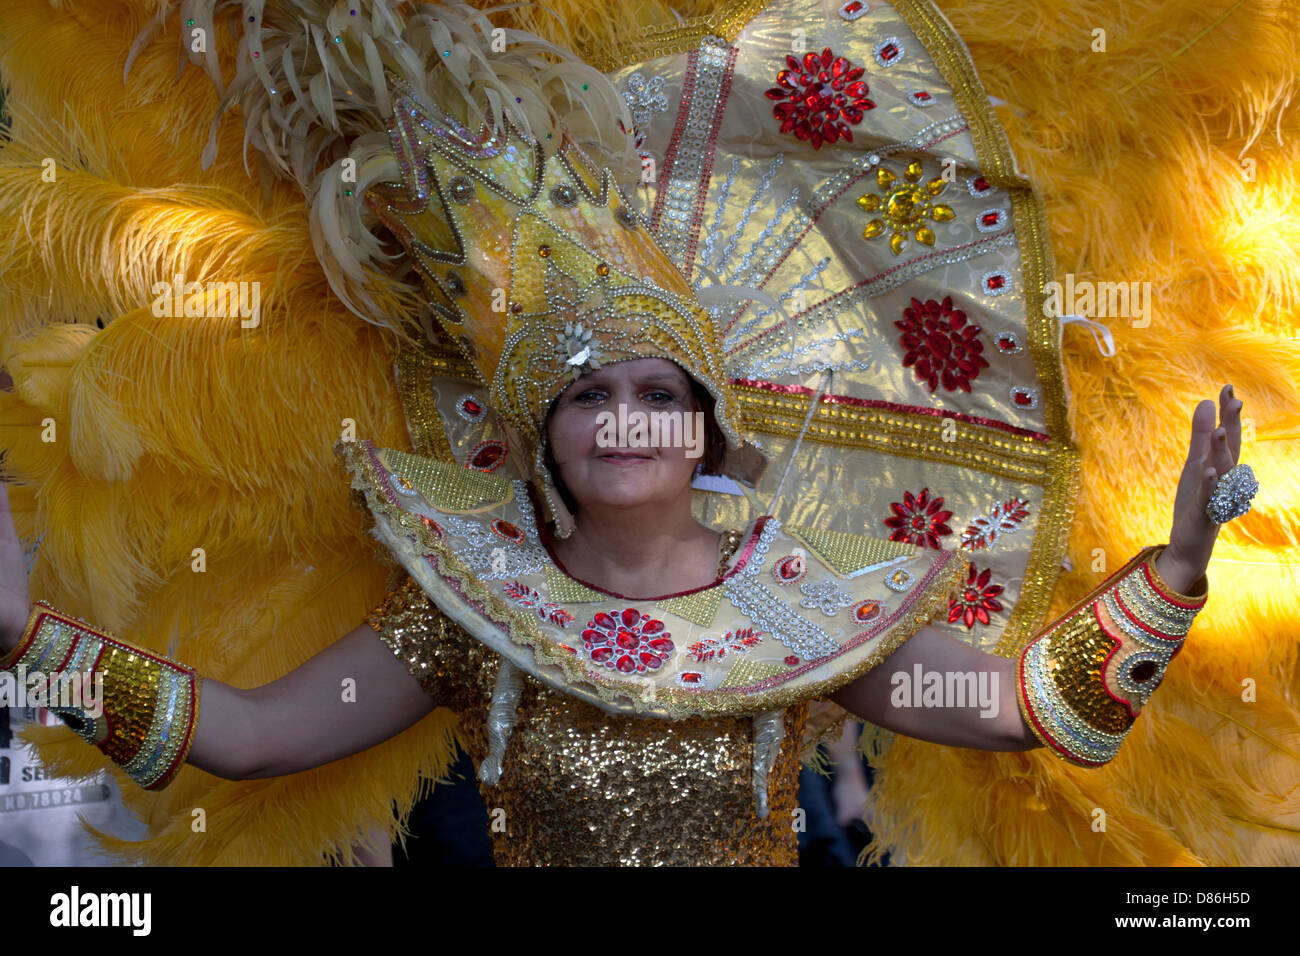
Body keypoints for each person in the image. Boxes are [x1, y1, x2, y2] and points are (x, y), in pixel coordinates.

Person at [0, 0, 1265, 866]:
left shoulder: (803, 610)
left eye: (659, 395)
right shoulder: (467, 603)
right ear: (536, 433)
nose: (622, 422)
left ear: (709, 431)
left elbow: (1037, 708)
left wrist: (1175, 572)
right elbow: (251, 736)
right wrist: (26, 640)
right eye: (587, 396)